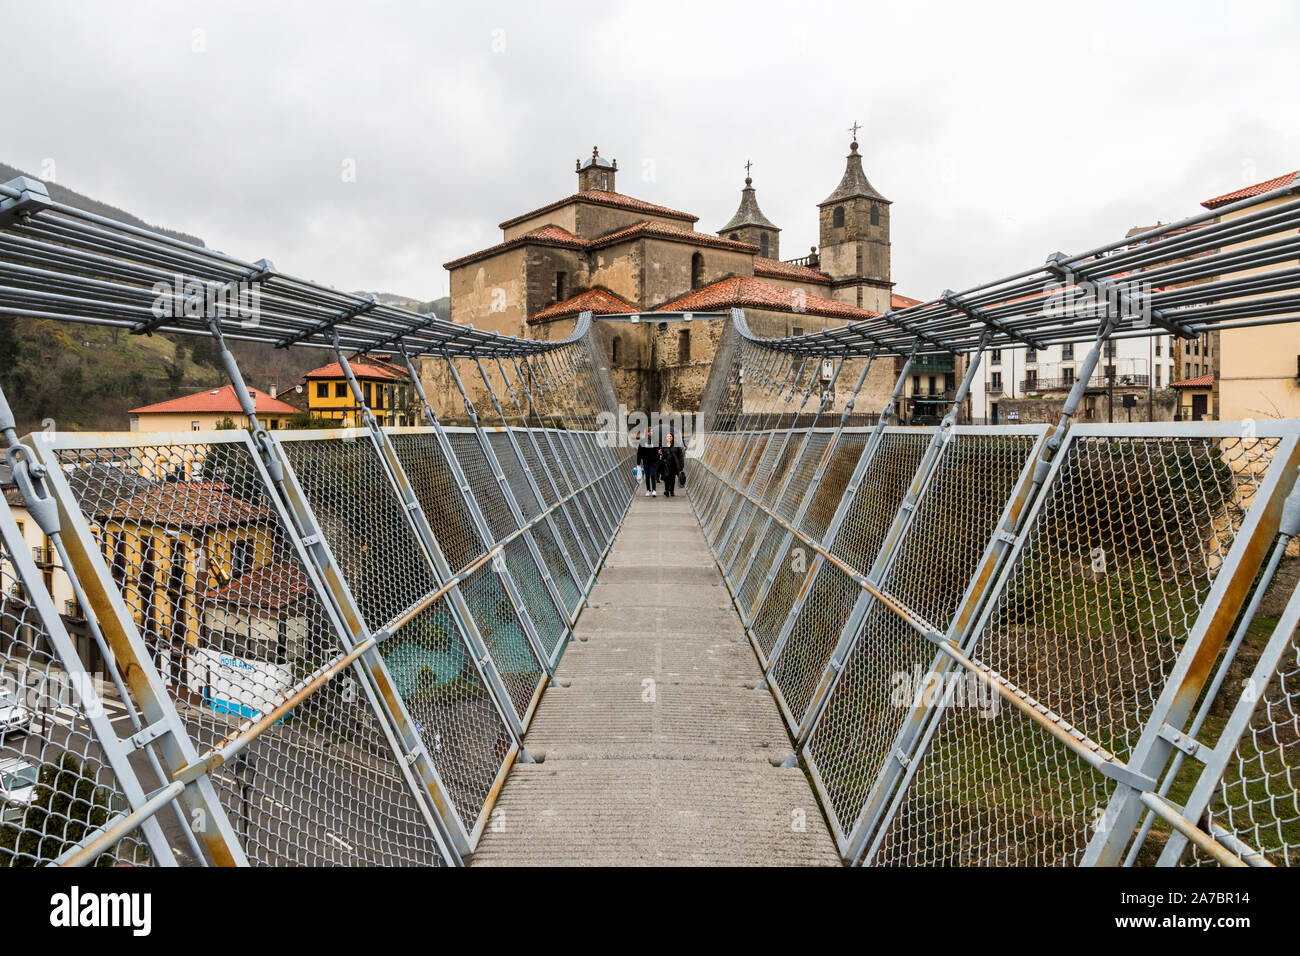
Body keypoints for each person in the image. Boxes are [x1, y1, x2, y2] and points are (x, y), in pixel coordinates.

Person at [635, 431, 660, 497]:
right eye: (650, 432)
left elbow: (658, 450)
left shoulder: (655, 441)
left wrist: (657, 459)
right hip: (646, 461)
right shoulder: (643, 441)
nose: (652, 433)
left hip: (653, 461)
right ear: (647, 433)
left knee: (652, 475)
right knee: (647, 476)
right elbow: (639, 453)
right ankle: (648, 490)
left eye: (652, 431)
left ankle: (654, 490)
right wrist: (638, 463)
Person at [660, 431, 684, 498]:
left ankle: (672, 491)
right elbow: (662, 455)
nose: (669, 437)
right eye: (668, 436)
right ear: (666, 438)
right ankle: (667, 490)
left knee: (672, 478)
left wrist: (681, 465)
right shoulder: (664, 446)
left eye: (670, 436)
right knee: (666, 477)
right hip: (666, 464)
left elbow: (680, 456)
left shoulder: (676, 446)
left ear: (672, 437)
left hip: (674, 464)